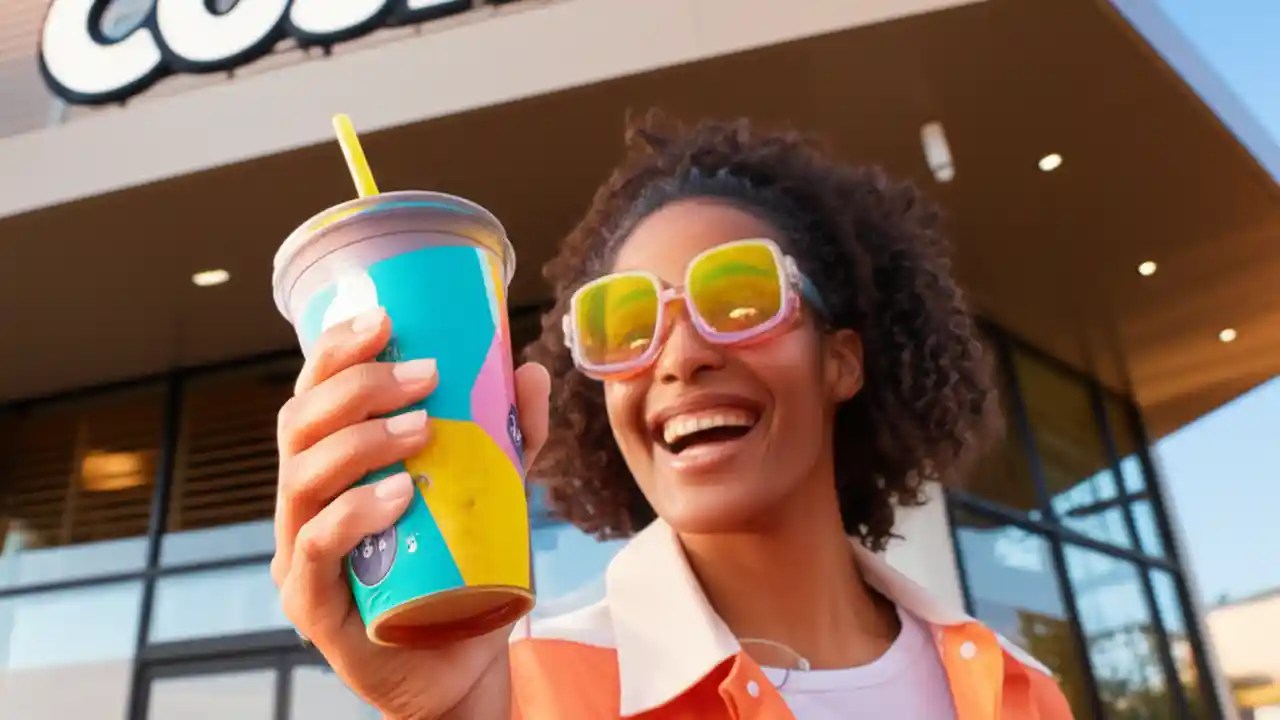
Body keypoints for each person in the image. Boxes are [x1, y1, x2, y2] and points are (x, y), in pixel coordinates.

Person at [271, 114, 1074, 719]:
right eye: (626, 321)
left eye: (739, 298)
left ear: (841, 359)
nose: (679, 355)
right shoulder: (526, 689)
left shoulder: (1015, 690)